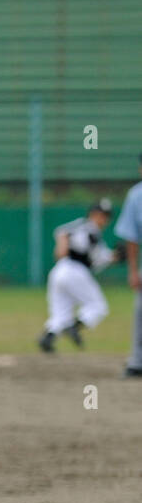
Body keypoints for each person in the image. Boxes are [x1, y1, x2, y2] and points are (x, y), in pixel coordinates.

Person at [38, 199, 119, 353]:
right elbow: (96, 259)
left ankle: (48, 338)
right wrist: (114, 257)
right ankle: (74, 327)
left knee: (61, 310)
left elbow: (62, 233)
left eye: (106, 216)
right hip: (75, 270)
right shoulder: (91, 229)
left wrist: (113, 257)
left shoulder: (87, 229)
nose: (104, 219)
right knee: (98, 306)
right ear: (93, 214)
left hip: (59, 270)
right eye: (102, 215)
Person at [115, 154, 142, 378]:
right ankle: (137, 362)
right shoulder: (136, 196)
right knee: (140, 311)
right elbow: (132, 239)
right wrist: (133, 271)